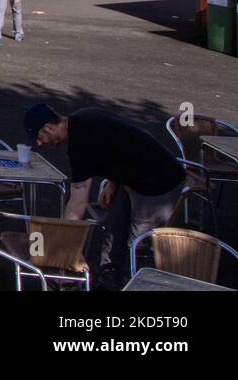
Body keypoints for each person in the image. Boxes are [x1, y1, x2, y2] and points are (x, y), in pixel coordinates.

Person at [23, 103, 186, 287]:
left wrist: (64, 245)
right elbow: (120, 144)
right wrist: (113, 180)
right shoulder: (84, 114)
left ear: (49, 127)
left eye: (39, 136)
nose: (40, 142)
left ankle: (135, 283)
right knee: (113, 227)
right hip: (131, 176)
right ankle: (108, 279)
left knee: (139, 245)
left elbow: (77, 204)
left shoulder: (81, 144)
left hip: (159, 180)